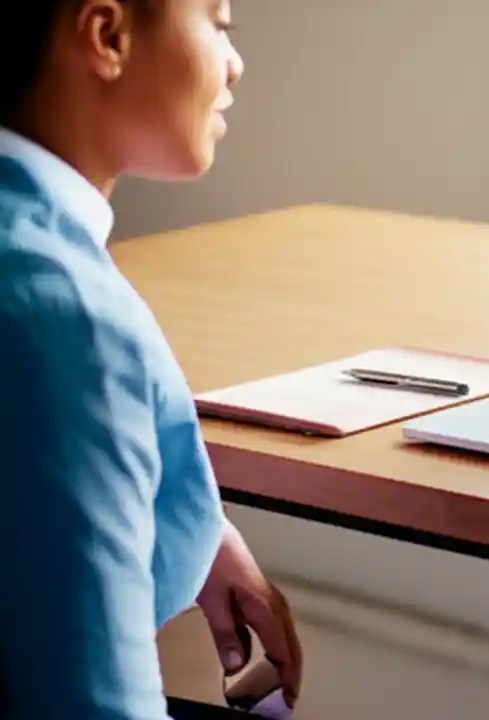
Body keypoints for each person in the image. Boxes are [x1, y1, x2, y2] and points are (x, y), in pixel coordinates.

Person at [0, 1, 303, 718]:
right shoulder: (67, 316)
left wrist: (189, 523)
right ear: (107, 36)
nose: (233, 63)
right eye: (218, 23)